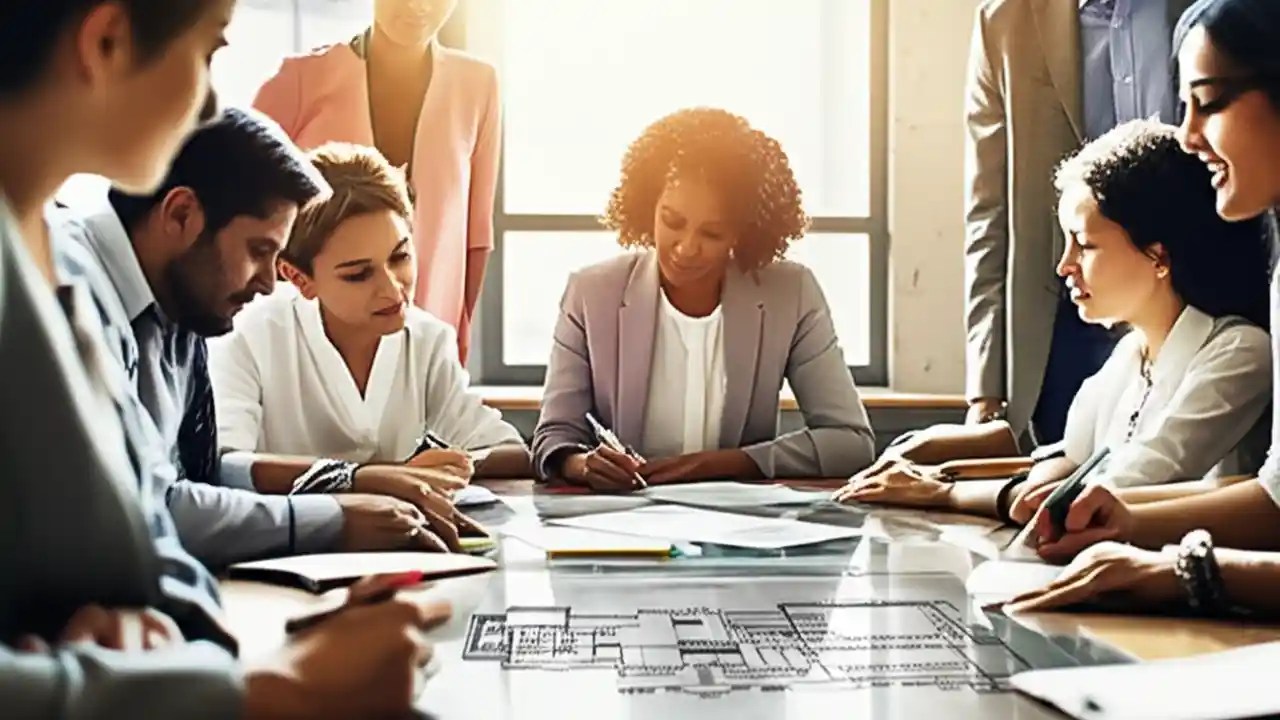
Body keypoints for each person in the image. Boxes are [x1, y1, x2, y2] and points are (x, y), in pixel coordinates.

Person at [0, 2, 448, 718]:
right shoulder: (67, 273)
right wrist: (269, 690)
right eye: (210, 51)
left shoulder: (61, 263)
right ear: (107, 42)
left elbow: (143, 503)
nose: (210, 101)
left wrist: (139, 623)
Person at [60, 108, 469, 569]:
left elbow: (201, 473)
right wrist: (332, 518)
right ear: (180, 215)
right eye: (259, 251)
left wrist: (353, 479)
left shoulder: (175, 298)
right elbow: (143, 508)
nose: (269, 285)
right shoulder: (66, 296)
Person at [834, 119, 1272, 519]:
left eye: (1084, 244)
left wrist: (941, 493)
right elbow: (1067, 460)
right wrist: (940, 469)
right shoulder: (1131, 354)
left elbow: (1092, 496)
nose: (1065, 265)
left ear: (1158, 256)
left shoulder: (1239, 354)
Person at [1006, 0, 1280, 619]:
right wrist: (1124, 521)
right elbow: (1275, 498)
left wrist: (1174, 568)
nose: (1186, 135)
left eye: (1209, 102)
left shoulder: (1238, 347)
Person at [530, 108, 876, 492]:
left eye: (712, 233)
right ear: (649, 206)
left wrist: (725, 464)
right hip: (620, 519)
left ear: (743, 233)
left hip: (741, 527)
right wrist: (582, 465)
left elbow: (851, 441)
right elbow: (553, 438)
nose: (686, 248)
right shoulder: (591, 293)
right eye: (672, 221)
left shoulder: (790, 293)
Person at [209, 142, 531, 476]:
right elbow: (227, 463)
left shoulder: (426, 340)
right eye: (358, 274)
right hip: (288, 526)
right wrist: (367, 479)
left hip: (400, 527)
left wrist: (444, 465)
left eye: (400, 257)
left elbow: (505, 448)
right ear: (299, 278)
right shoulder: (251, 334)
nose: (393, 289)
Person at [964, 0, 1193, 445]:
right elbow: (988, 214)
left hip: (1195, 300)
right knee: (1061, 486)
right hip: (1067, 317)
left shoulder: (1211, 9)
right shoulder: (1007, 22)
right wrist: (985, 392)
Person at [253, 0, 496, 363]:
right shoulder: (301, 78)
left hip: (425, 333)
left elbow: (476, 234)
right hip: (312, 340)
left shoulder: (478, 84)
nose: (417, 6)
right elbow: (243, 205)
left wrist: (457, 339)